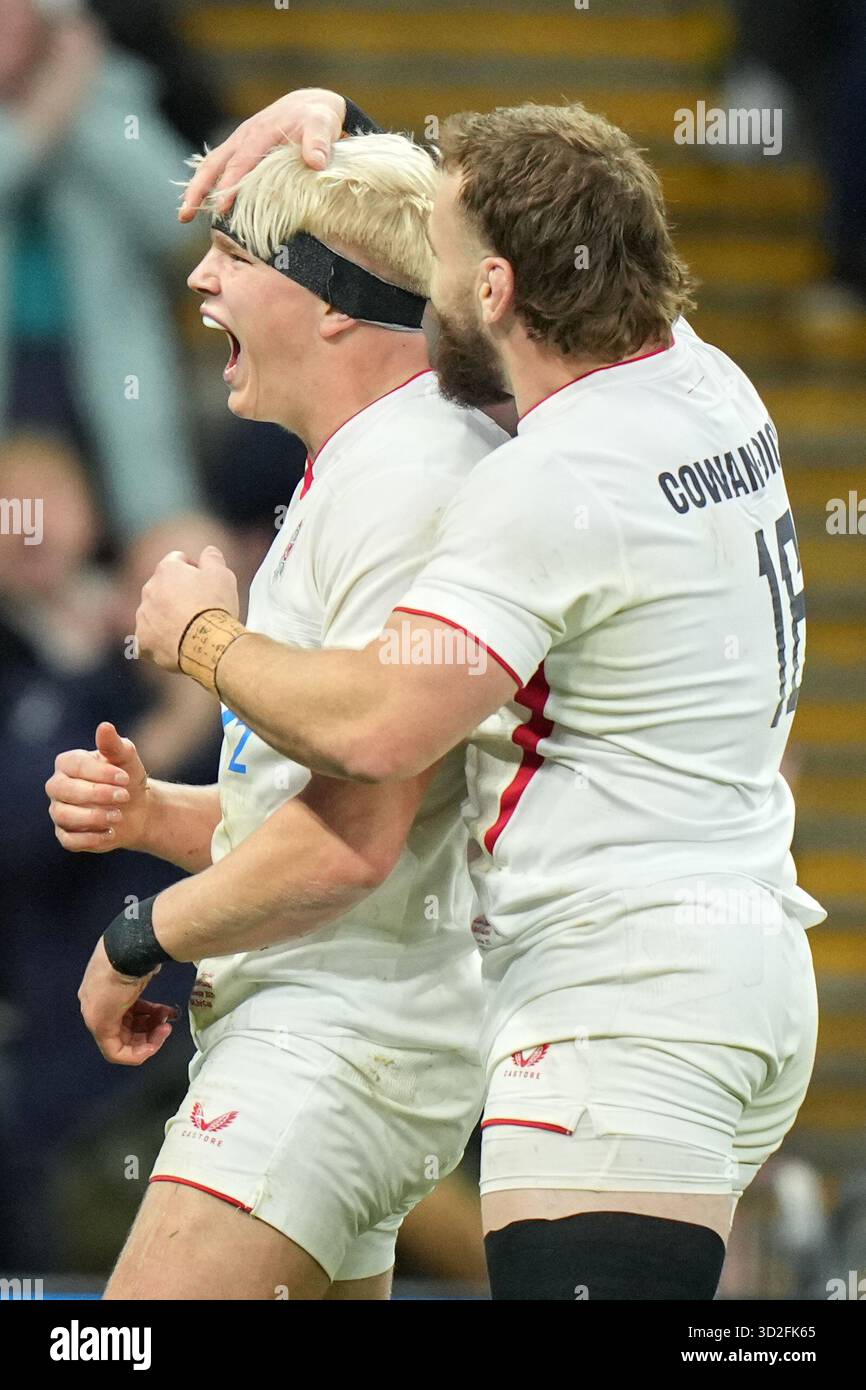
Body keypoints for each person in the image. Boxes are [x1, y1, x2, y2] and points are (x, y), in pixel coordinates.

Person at [136, 89, 824, 1301]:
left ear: (497, 289)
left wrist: (201, 639)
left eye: (440, 261)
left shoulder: (546, 485)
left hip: (620, 1015)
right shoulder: (702, 382)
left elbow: (377, 728)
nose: (418, 284)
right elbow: (533, 224)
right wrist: (347, 126)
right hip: (739, 976)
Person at [46, 126, 506, 1299]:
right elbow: (333, 813)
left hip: (335, 1043)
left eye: (236, 252)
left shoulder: (405, 480)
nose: (200, 278)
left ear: (335, 302)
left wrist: (137, 936)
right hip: (341, 1029)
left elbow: (355, 839)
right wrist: (160, 814)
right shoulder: (363, 466)